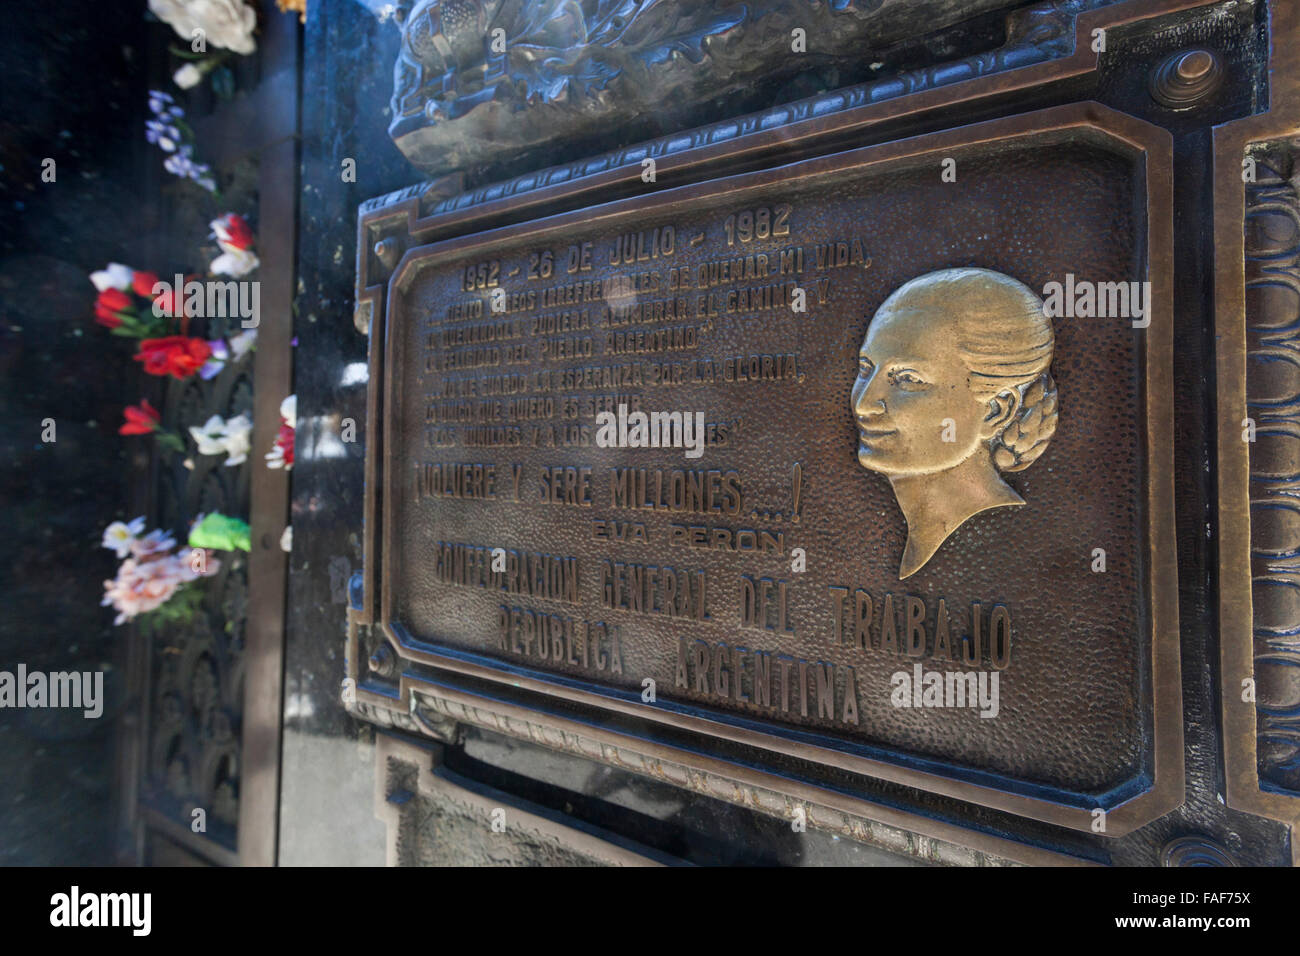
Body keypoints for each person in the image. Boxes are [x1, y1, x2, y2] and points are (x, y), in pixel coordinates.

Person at [852, 267, 1058, 578]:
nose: (864, 404)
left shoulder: (1012, 558)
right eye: (866, 368)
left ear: (995, 412)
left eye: (907, 379)